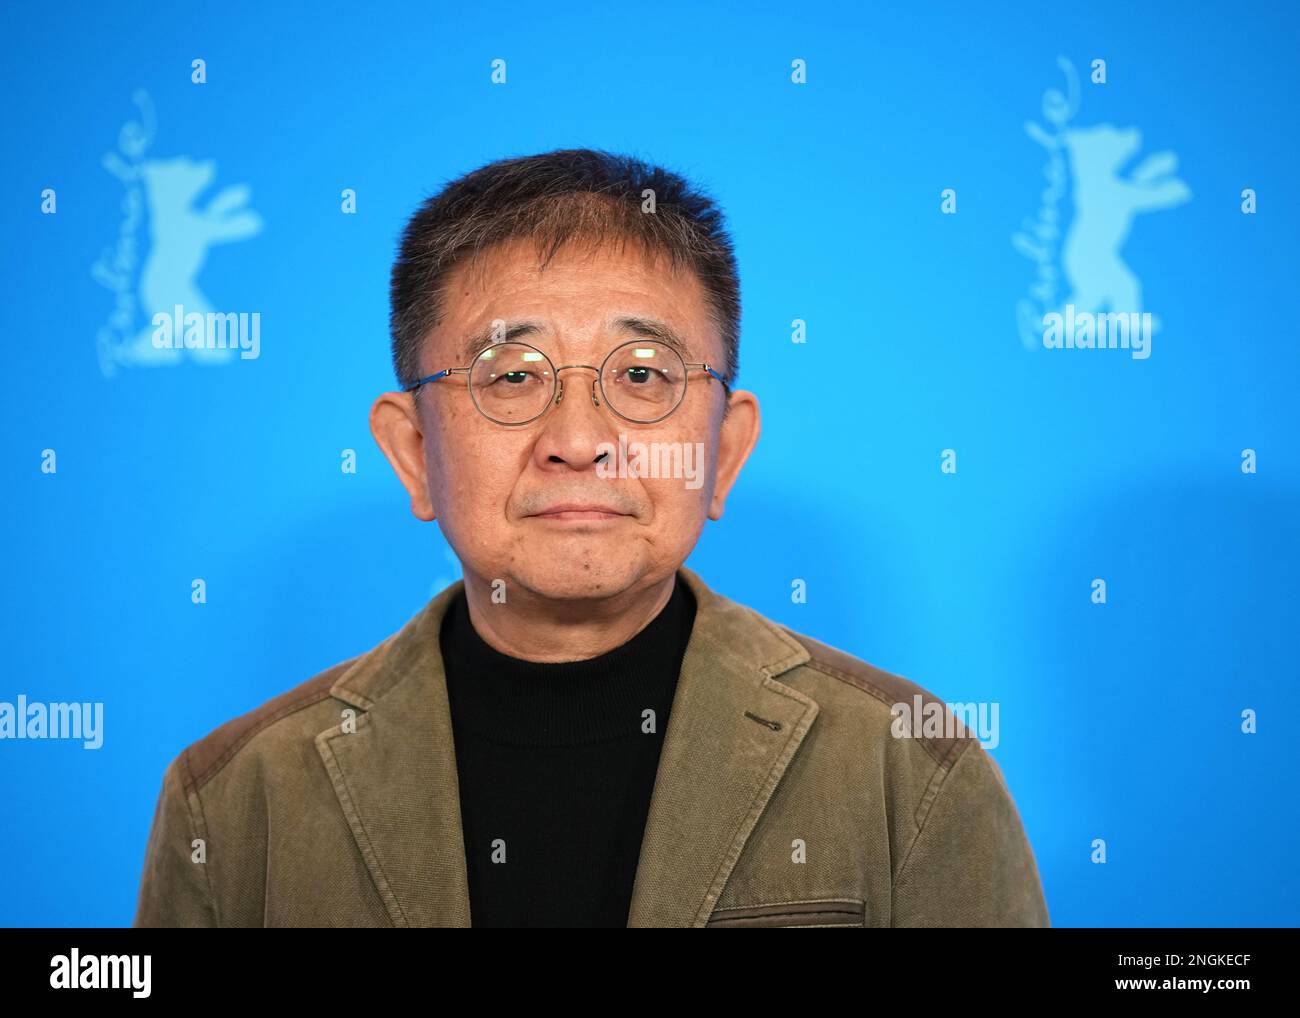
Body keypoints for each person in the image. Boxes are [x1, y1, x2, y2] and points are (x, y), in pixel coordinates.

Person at [133, 148, 1050, 927]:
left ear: (724, 451)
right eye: (511, 375)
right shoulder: (238, 799)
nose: (578, 440)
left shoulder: (909, 774)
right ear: (413, 452)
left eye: (643, 373)